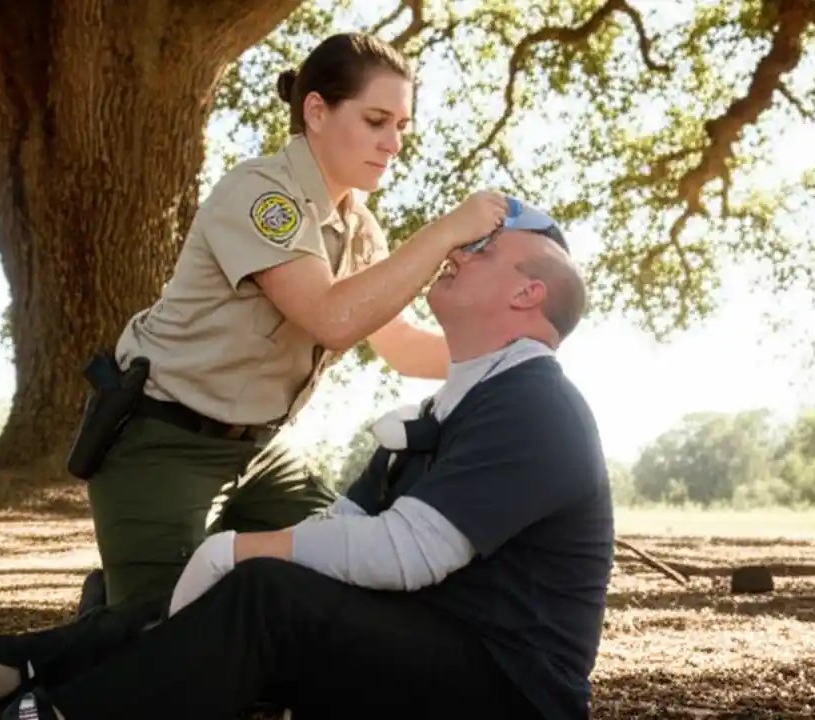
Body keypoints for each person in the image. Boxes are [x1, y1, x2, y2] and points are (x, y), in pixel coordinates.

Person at [0, 206, 616, 720]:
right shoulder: (444, 407)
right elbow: (342, 526)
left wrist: (241, 551)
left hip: (509, 692)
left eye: (483, 249)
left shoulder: (534, 400)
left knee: (263, 590)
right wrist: (232, 562)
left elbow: (410, 551)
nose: (459, 251)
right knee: (225, 586)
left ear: (527, 295)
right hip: (427, 648)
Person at [72, 31, 508, 612]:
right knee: (163, 637)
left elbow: (399, 345)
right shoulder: (261, 194)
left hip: (261, 452)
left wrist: (511, 355)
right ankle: (90, 621)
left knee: (350, 577)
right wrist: (448, 231)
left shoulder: (360, 230)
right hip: (166, 441)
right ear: (317, 112)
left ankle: (127, 596)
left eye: (402, 126)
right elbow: (331, 317)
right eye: (377, 120)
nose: (394, 143)